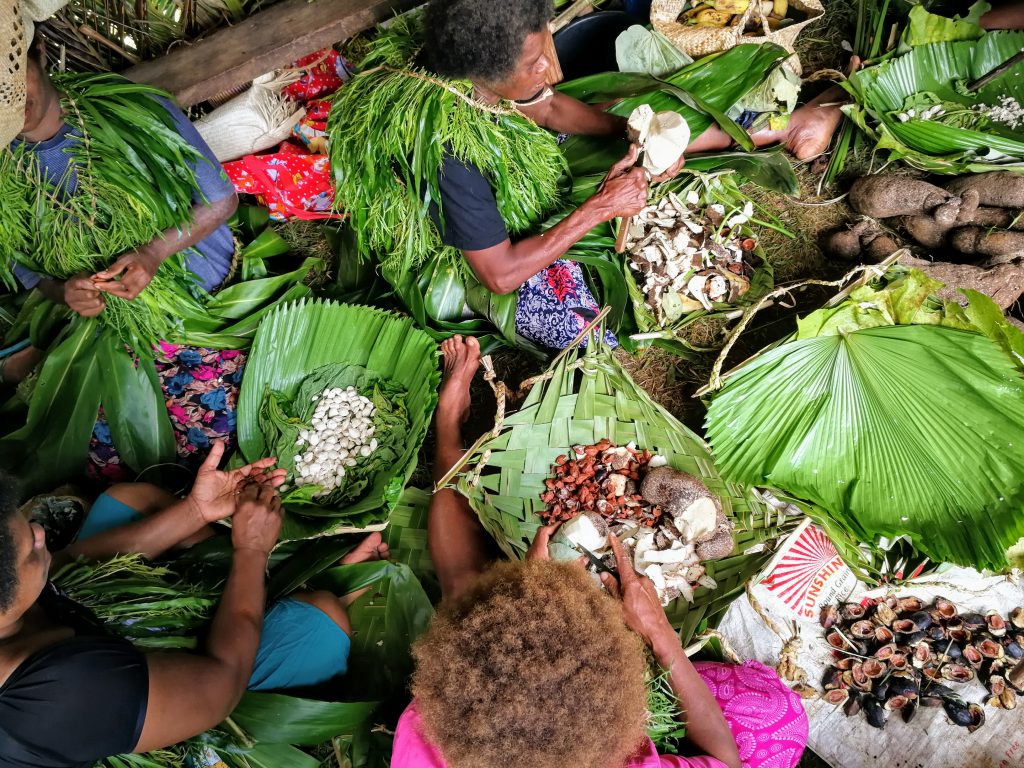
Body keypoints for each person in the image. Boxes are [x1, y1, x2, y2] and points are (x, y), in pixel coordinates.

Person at [391, 335, 809, 768]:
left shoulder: (433, 730)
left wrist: (529, 593)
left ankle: (448, 433)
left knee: (464, 594)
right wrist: (659, 633)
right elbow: (724, 758)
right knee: (781, 722)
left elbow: (483, 647)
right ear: (624, 715)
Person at [415, 0, 845, 348]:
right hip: (482, 250)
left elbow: (545, 106)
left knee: (657, 119)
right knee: (584, 333)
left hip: (518, 155)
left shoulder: (482, 70)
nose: (548, 68)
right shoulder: (450, 155)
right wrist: (601, 207)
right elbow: (500, 275)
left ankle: (787, 124)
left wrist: (630, 134)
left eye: (542, 51)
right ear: (484, 72)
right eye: (533, 64)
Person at [0, 441, 388, 767]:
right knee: (324, 616)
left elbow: (68, 567)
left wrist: (197, 509)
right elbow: (221, 682)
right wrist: (251, 549)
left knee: (133, 499)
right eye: (28, 548)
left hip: (101, 654)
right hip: (164, 707)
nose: (39, 532)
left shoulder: (12, 599)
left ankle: (258, 576)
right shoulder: (54, 698)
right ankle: (311, 585)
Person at [0, 34, 244, 481]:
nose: (11, 100)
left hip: (206, 298)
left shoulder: (133, 111)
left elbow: (221, 200)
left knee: (225, 429)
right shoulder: (5, 169)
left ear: (36, 51)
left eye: (11, 78)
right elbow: (24, 268)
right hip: (118, 328)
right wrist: (64, 291)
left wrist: (155, 250)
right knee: (103, 461)